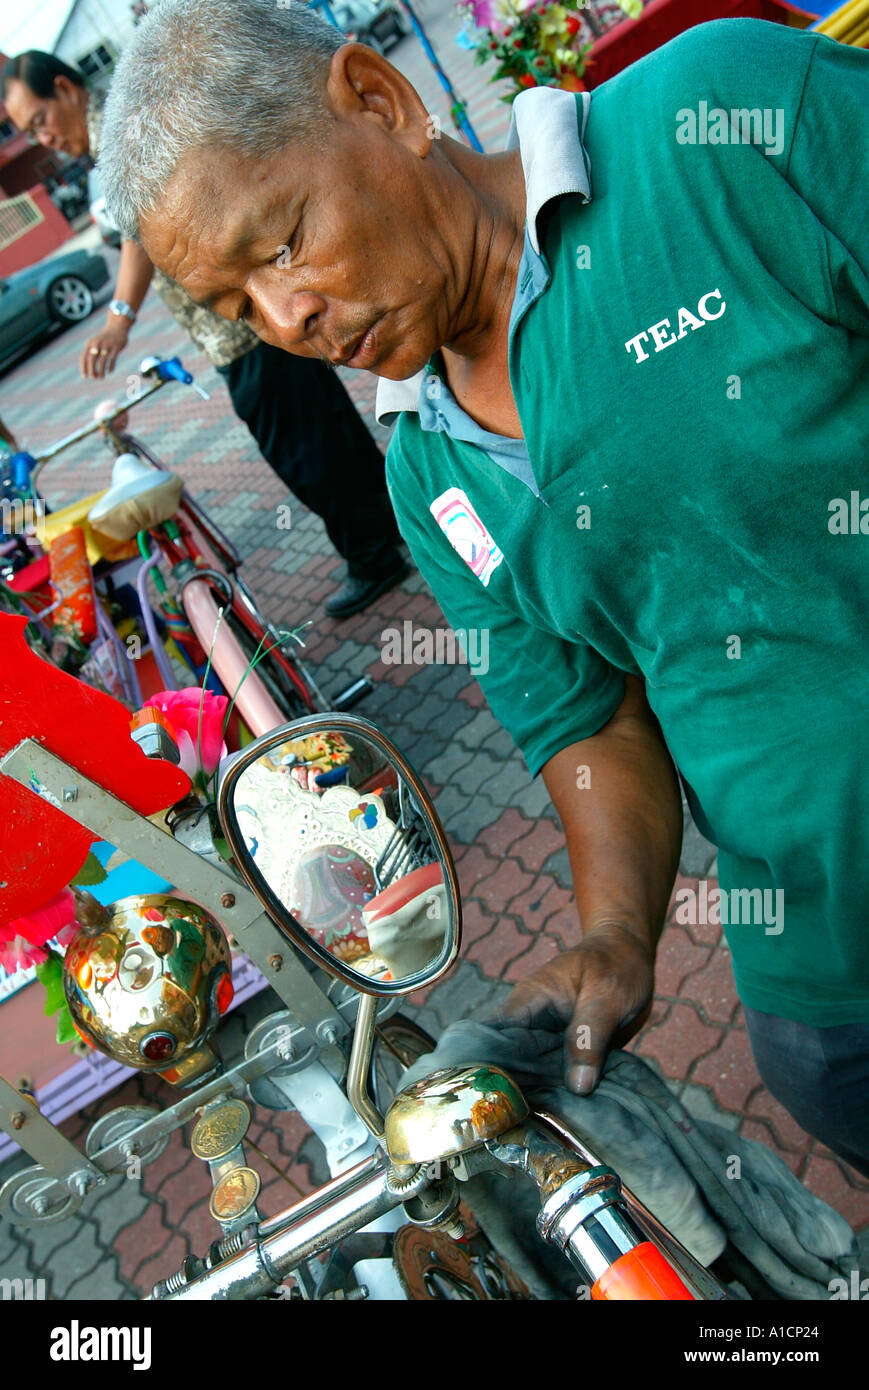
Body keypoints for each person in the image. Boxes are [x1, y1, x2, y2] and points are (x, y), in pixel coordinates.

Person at [97, 0, 869, 1177]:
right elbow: (585, 714)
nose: (289, 318)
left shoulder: (720, 123)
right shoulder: (423, 469)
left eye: (283, 243)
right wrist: (615, 935)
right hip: (823, 989)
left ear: (382, 101)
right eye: (240, 305)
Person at [1, 50, 408, 617]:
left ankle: (373, 553)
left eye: (39, 121)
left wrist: (119, 318)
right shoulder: (118, 134)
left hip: (242, 320)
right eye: (27, 133)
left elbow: (137, 237)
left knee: (301, 448)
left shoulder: (120, 137)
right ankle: (391, 529)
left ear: (67, 90)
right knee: (323, 429)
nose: (44, 139)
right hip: (245, 315)